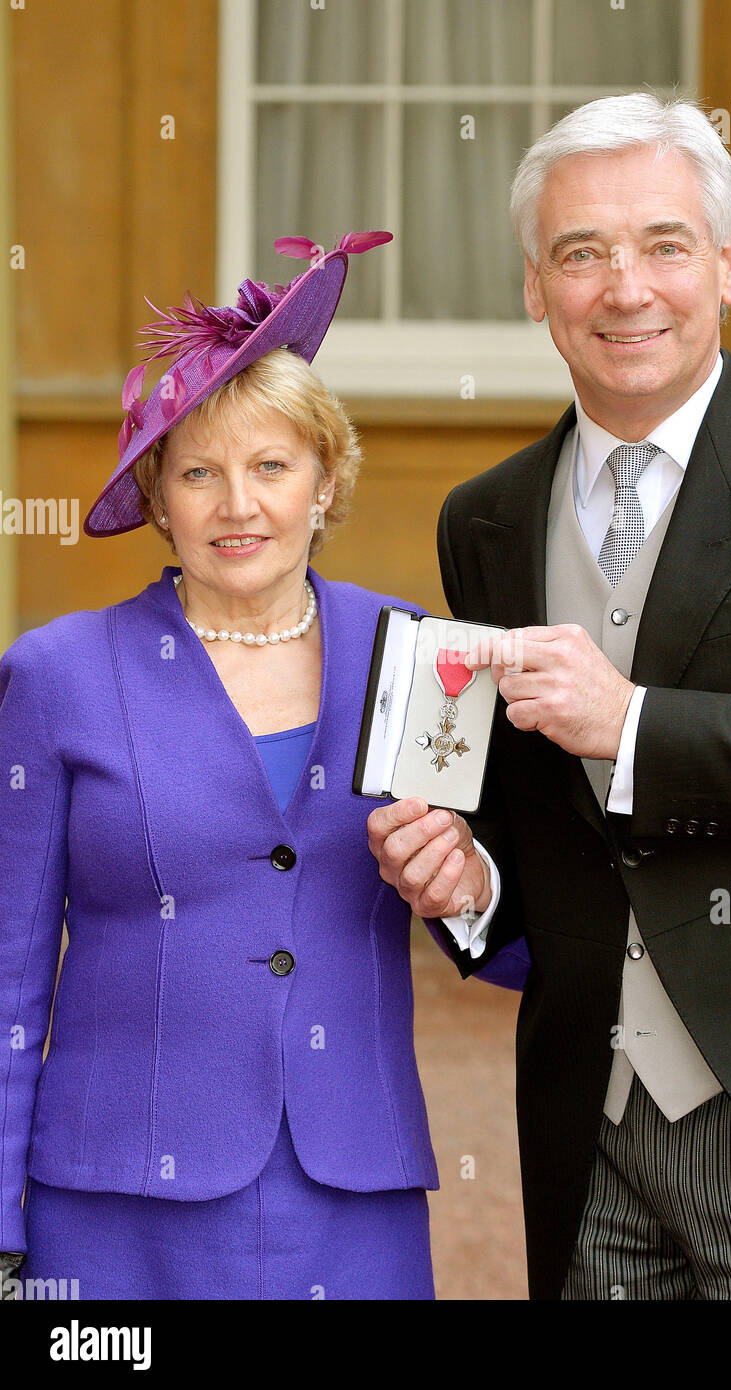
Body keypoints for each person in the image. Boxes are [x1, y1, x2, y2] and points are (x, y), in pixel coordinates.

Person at [368, 93, 731, 1300]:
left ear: (728, 263)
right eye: (583, 253)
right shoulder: (486, 517)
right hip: (591, 1131)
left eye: (664, 244)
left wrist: (633, 723)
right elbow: (534, 826)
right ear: (537, 287)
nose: (625, 287)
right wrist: (468, 882)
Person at [0, 231, 525, 1301]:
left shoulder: (422, 654)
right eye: (199, 472)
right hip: (114, 1217)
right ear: (158, 495)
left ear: (327, 483)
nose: (237, 505)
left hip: (353, 1202)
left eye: (272, 466)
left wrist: (471, 888)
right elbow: (7, 979)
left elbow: (506, 948)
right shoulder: (54, 675)